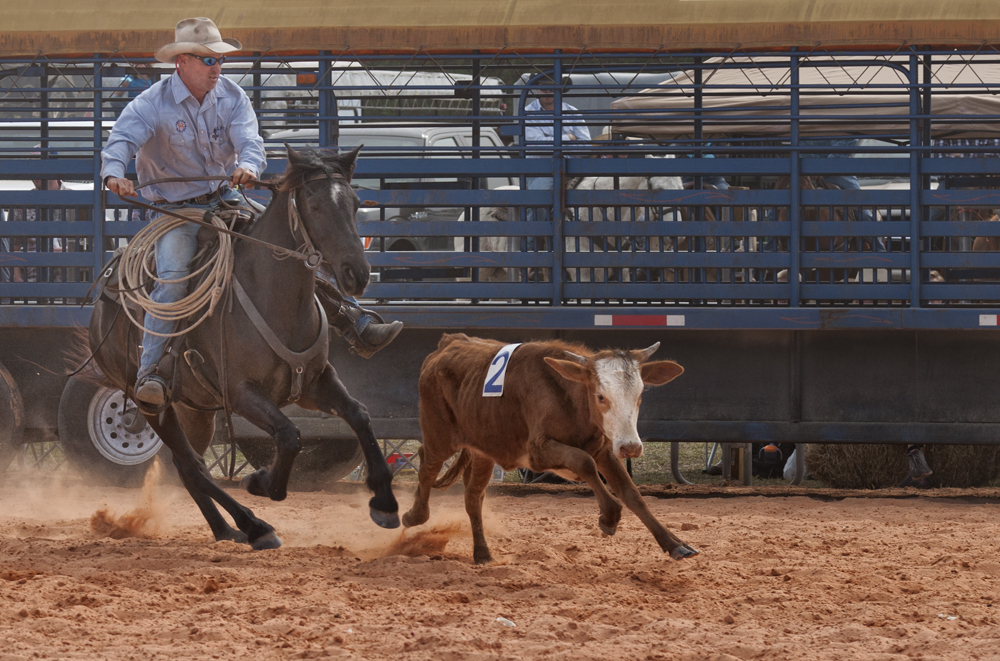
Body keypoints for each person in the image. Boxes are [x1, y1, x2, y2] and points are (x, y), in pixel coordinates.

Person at [101, 17, 401, 410]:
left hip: (226, 198)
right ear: (182, 62)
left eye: (220, 60)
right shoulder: (150, 104)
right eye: (208, 60)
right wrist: (114, 174)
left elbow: (250, 141)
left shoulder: (232, 96)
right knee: (172, 278)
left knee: (290, 243)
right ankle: (151, 371)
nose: (217, 68)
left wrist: (249, 165)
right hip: (176, 212)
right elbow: (121, 141)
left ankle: (354, 321)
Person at [523, 76, 591, 256]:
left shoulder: (572, 112)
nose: (547, 92)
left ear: (560, 89)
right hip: (542, 170)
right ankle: (530, 250)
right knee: (539, 200)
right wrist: (568, 138)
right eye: (543, 88)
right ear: (537, 90)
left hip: (571, 168)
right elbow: (535, 145)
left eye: (551, 87)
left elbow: (585, 145)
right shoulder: (528, 112)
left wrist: (551, 143)